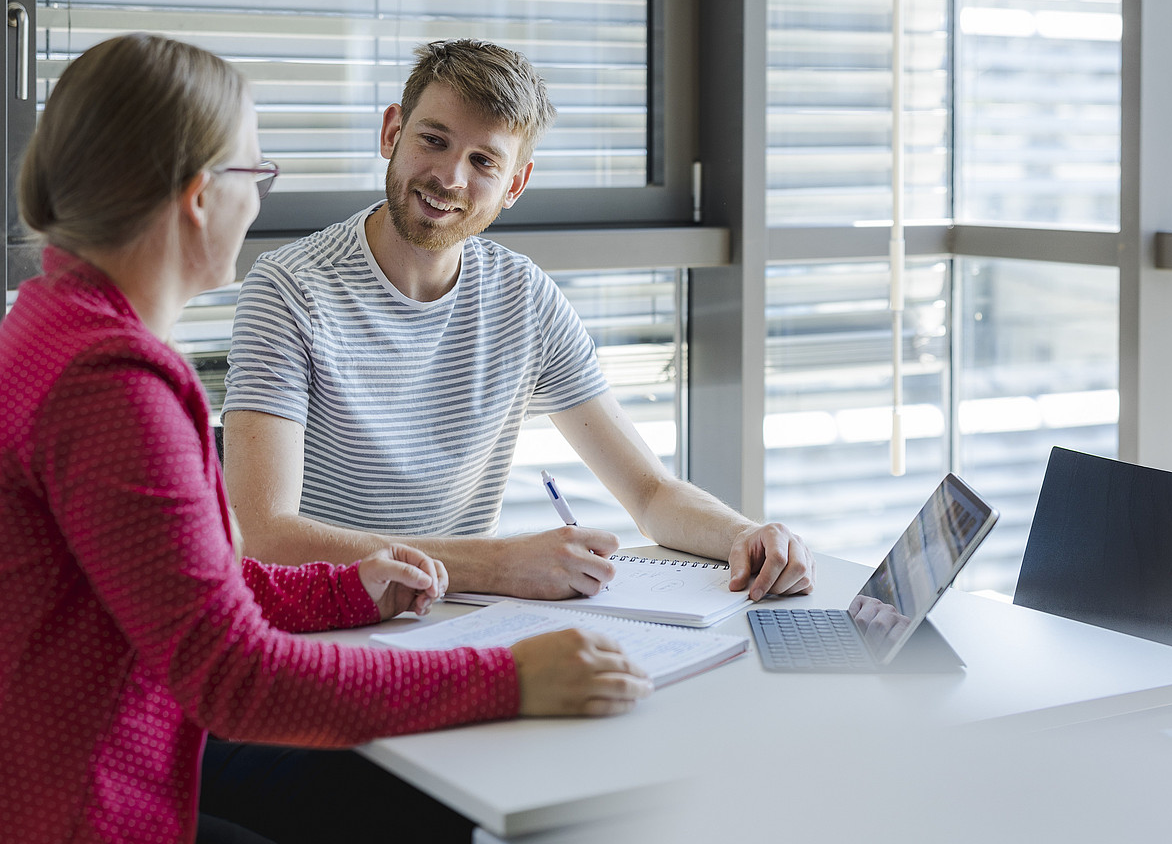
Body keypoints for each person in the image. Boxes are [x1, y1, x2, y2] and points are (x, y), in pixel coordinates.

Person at [0, 32, 653, 844]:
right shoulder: (114, 383)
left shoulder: (51, 324)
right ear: (204, 196)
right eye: (256, 172)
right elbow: (233, 676)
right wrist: (507, 677)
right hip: (88, 814)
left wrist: (344, 590)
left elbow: (191, 582)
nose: (260, 200)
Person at [222, 38, 815, 603]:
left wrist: (744, 536)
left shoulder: (523, 297)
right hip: (327, 620)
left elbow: (651, 493)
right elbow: (262, 533)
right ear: (392, 132)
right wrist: (497, 566)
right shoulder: (290, 288)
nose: (450, 178)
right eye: (432, 140)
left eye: (483, 160)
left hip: (461, 614)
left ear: (515, 184)